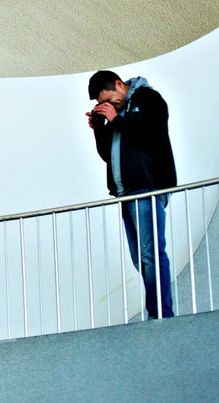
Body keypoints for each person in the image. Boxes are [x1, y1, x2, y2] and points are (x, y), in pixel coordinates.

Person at [87, 69, 177, 319]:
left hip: (148, 188)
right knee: (140, 258)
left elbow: (149, 136)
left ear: (119, 84)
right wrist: (98, 128)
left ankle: (161, 315)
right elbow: (108, 154)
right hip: (126, 194)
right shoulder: (119, 113)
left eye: (108, 100)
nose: (108, 105)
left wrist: (115, 119)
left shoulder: (149, 99)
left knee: (151, 254)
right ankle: (159, 312)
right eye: (102, 104)